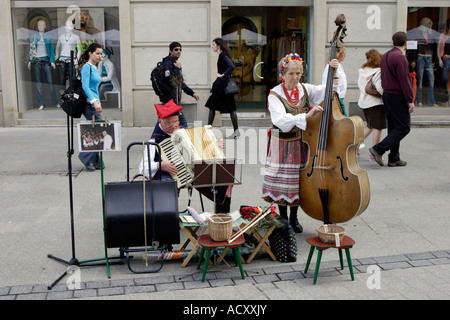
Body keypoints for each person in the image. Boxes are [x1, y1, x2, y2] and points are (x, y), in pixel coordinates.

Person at [261, 53, 340, 233]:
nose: (295, 77)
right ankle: (282, 218)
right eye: (291, 74)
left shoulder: (304, 89)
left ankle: (294, 218)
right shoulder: (275, 94)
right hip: (282, 144)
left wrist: (332, 71)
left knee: (298, 181)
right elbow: (281, 120)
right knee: (283, 182)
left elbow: (325, 90)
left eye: (298, 73)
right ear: (283, 74)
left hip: (301, 144)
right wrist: (305, 116)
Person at [140, 100, 232, 213]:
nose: (174, 126)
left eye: (176, 121)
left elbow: (202, 150)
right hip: (169, 175)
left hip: (193, 172)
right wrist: (159, 165)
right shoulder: (154, 140)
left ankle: (221, 220)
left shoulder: (183, 132)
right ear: (160, 121)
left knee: (224, 179)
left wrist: (216, 145)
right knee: (167, 187)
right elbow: (142, 168)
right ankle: (169, 220)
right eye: (168, 123)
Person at [369, 32, 415, 167]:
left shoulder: (386, 56)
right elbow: (405, 81)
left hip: (387, 95)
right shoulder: (400, 57)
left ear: (393, 41)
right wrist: (410, 99)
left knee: (394, 126)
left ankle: (394, 157)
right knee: (404, 127)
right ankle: (378, 149)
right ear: (405, 43)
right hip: (397, 96)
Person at [158, 42, 200, 128]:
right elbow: (169, 79)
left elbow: (180, 83)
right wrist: (177, 69)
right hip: (170, 100)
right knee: (183, 124)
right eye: (176, 49)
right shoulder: (169, 63)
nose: (179, 51)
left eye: (180, 49)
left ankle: (155, 139)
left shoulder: (175, 63)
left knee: (164, 124)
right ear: (170, 50)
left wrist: (192, 93)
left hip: (174, 100)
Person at [205, 38, 239, 139]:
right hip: (222, 85)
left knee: (214, 106)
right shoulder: (222, 55)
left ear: (218, 46)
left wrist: (223, 75)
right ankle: (235, 131)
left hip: (223, 86)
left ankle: (208, 131)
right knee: (215, 106)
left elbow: (231, 66)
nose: (212, 46)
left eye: (214, 45)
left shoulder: (223, 55)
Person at [78, 42, 104, 171]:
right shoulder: (86, 67)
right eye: (97, 53)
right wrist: (94, 102)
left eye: (101, 53)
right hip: (89, 104)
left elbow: (94, 88)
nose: (100, 56)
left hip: (94, 103)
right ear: (90, 53)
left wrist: (98, 102)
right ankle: (85, 157)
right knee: (98, 131)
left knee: (97, 130)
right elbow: (85, 86)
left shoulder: (94, 67)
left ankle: (97, 162)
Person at [357, 49, 386, 161]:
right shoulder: (378, 71)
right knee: (378, 128)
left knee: (370, 126)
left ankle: (355, 147)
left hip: (364, 102)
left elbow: (361, 86)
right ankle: (373, 153)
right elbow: (380, 88)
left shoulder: (362, 70)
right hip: (375, 103)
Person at [28, 19, 59, 110]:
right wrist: (30, 60)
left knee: (50, 82)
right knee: (39, 83)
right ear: (37, 27)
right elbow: (31, 50)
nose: (41, 27)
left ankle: (55, 102)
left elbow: (52, 50)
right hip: (37, 61)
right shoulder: (33, 37)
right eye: (39, 25)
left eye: (42, 25)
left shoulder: (48, 37)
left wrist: (52, 61)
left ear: (45, 26)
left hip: (46, 61)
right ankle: (41, 103)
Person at [414, 17, 438, 107]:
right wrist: (413, 59)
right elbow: (414, 47)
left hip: (429, 58)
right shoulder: (418, 34)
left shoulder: (431, 34)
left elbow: (434, 48)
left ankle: (431, 101)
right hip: (421, 57)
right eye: (428, 23)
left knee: (431, 79)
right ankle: (419, 100)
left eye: (430, 24)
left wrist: (434, 60)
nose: (429, 25)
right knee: (420, 80)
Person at [55, 20, 81, 98]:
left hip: (71, 60)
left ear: (73, 27)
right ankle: (62, 97)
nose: (68, 28)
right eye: (66, 26)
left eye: (70, 26)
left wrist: (76, 60)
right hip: (62, 60)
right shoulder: (61, 37)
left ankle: (72, 96)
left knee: (72, 80)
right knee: (62, 80)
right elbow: (57, 48)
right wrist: (57, 56)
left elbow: (79, 49)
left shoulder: (76, 37)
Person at [322, 46, 347, 116]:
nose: (345, 55)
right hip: (336, 98)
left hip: (340, 97)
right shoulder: (332, 66)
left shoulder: (339, 66)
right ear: (338, 54)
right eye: (343, 53)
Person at [438, 19, 450, 94]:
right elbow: (438, 48)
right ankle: (448, 96)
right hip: (446, 58)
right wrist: (439, 59)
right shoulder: (443, 35)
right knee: (445, 78)